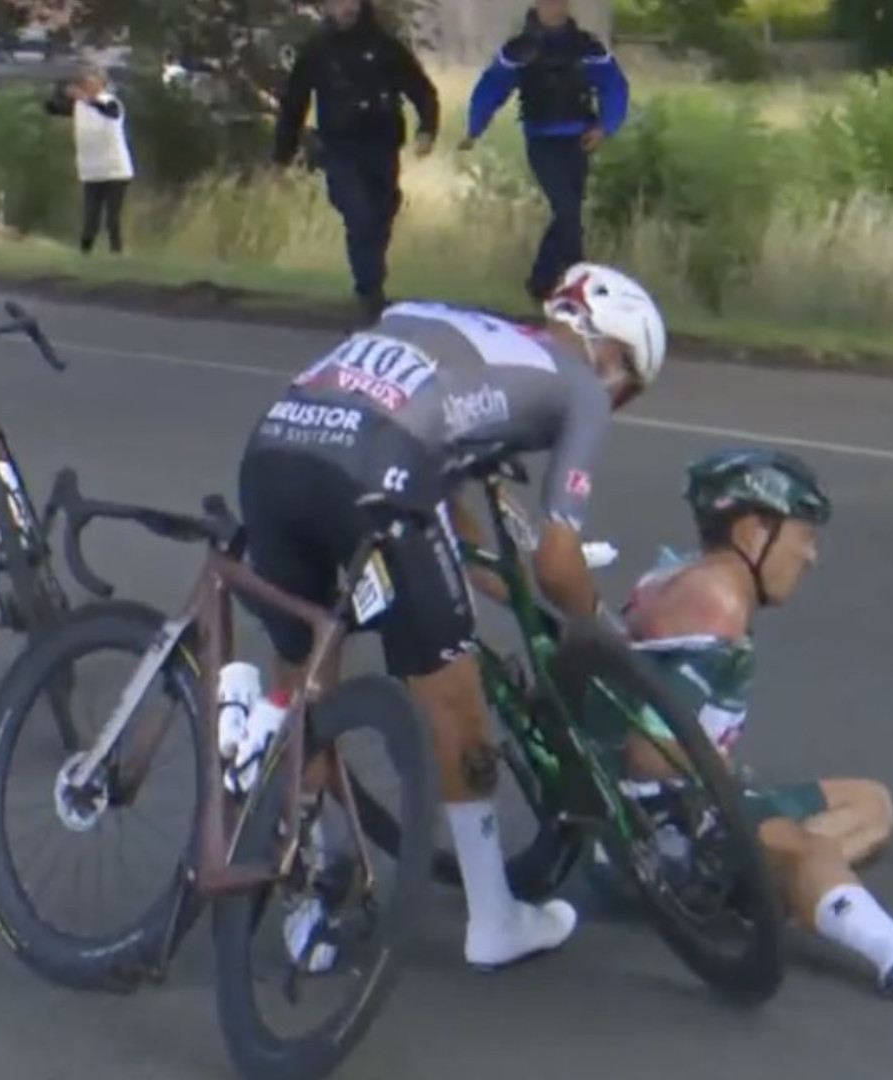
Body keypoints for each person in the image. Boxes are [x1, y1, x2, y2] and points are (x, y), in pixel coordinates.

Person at [228, 262, 667, 970]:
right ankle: (495, 920)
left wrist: (499, 584)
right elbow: (559, 562)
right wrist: (601, 635)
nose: (618, 401)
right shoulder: (580, 383)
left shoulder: (455, 323)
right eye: (631, 389)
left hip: (277, 450)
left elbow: (445, 501)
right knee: (452, 693)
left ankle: (305, 896)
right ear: (615, 356)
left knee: (310, 691)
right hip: (376, 469)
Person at [591, 448, 893, 999]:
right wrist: (720, 771)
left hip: (665, 805)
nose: (811, 556)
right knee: (808, 851)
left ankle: (773, 887)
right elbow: (650, 755)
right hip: (661, 833)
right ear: (755, 530)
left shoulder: (682, 575)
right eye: (805, 535)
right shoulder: (716, 603)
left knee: (870, 803)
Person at [274, 0, 440, 319]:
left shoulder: (386, 47)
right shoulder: (317, 50)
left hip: (382, 143)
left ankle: (371, 279)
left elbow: (421, 89)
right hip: (340, 147)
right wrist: (282, 155)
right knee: (358, 212)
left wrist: (427, 129)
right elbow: (294, 103)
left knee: (381, 212)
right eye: (338, 3)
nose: (345, 8)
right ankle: (369, 291)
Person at [462, 0, 629, 304]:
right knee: (567, 210)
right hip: (542, 140)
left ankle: (541, 284)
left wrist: (605, 127)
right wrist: (475, 128)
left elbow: (613, 86)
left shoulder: (586, 46)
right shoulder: (519, 50)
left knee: (569, 211)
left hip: (579, 139)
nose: (555, 7)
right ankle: (577, 279)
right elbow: (492, 88)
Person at [44, 69, 134, 255]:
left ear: (102, 84)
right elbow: (52, 108)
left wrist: (85, 99)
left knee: (111, 218)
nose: (88, 86)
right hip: (91, 171)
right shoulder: (79, 106)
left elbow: (109, 112)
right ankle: (85, 253)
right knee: (90, 217)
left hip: (115, 170)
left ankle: (116, 252)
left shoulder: (110, 102)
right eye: (86, 82)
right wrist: (58, 89)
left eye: (93, 82)